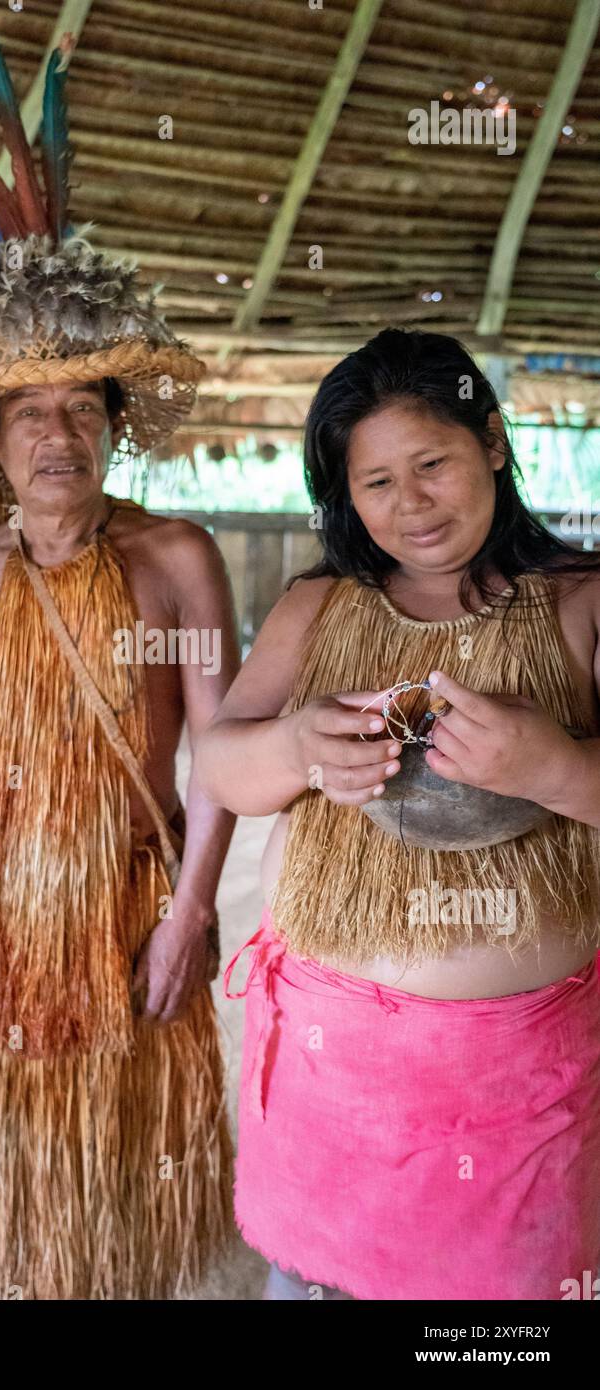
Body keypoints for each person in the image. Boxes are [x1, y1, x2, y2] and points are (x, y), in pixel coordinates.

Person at [0, 24, 238, 1299]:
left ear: (114, 429)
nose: (58, 432)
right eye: (30, 412)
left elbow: (224, 747)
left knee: (112, 1181)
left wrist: (188, 910)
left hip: (125, 908)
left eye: (83, 408)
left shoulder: (175, 560)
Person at [197, 327, 600, 1301]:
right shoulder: (317, 608)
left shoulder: (580, 605)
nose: (408, 503)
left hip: (517, 1086)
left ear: (492, 445)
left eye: (432, 463)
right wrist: (295, 746)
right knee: (309, 1278)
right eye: (374, 482)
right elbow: (218, 765)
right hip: (331, 1077)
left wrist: (551, 767)